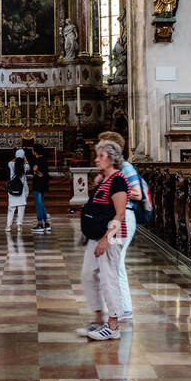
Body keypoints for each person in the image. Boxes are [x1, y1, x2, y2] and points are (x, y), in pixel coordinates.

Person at [77, 140, 130, 340]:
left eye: (101, 156)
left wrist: (106, 240)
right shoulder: (105, 180)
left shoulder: (118, 180)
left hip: (111, 237)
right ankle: (99, 319)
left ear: (112, 159)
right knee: (87, 275)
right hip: (97, 236)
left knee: (109, 279)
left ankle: (114, 326)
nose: (96, 159)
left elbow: (120, 214)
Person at [96, 130, 140, 322]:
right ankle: (121, 308)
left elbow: (137, 193)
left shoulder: (126, 168)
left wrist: (118, 192)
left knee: (117, 263)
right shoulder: (112, 170)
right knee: (114, 263)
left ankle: (124, 309)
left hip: (124, 218)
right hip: (115, 217)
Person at [28, 142, 51, 232]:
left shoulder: (38, 160)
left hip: (38, 184)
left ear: (35, 151)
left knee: (38, 204)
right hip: (43, 184)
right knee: (41, 203)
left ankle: (40, 224)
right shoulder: (44, 159)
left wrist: (35, 171)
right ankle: (46, 223)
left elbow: (40, 174)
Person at [5, 147, 30, 231]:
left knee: (11, 208)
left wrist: (17, 157)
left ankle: (8, 226)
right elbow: (28, 165)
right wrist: (24, 159)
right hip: (21, 189)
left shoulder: (11, 164)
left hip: (12, 188)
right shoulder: (25, 166)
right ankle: (19, 225)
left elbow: (11, 161)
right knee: (21, 207)